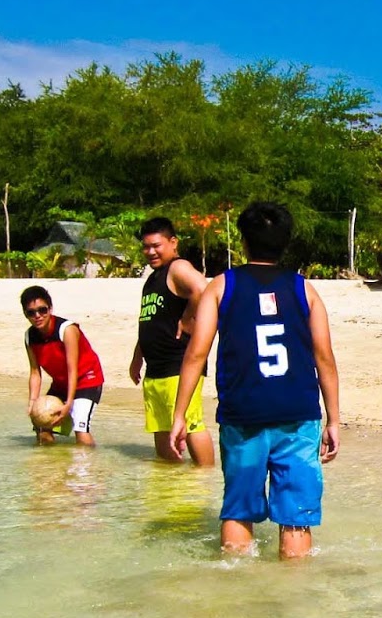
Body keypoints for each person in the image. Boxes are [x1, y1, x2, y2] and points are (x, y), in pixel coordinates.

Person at [171, 201, 341, 559]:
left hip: (242, 414)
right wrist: (334, 419)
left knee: (239, 508)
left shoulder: (221, 286)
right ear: (285, 242)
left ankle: (238, 593)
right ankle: (294, 594)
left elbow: (196, 354)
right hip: (298, 414)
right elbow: (324, 357)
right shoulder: (304, 290)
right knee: (296, 516)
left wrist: (180, 415)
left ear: (243, 241)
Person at [128, 217, 215, 466]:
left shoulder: (178, 268)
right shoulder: (153, 278)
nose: (150, 251)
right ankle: (171, 482)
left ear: (173, 242)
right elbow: (149, 320)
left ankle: (205, 474)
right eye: (146, 246)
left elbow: (203, 288)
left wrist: (189, 317)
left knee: (191, 422)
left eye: (156, 245)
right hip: (156, 368)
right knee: (161, 428)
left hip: (179, 364)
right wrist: (137, 357)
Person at [22, 286, 105, 447]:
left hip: (86, 379)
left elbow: (72, 368)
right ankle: (53, 467)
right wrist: (32, 402)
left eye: (42, 310)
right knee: (41, 427)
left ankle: (89, 469)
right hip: (61, 383)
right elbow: (34, 373)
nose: (37, 316)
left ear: (50, 308)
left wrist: (68, 403)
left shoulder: (67, 330)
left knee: (81, 429)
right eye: (31, 313)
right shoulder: (29, 337)